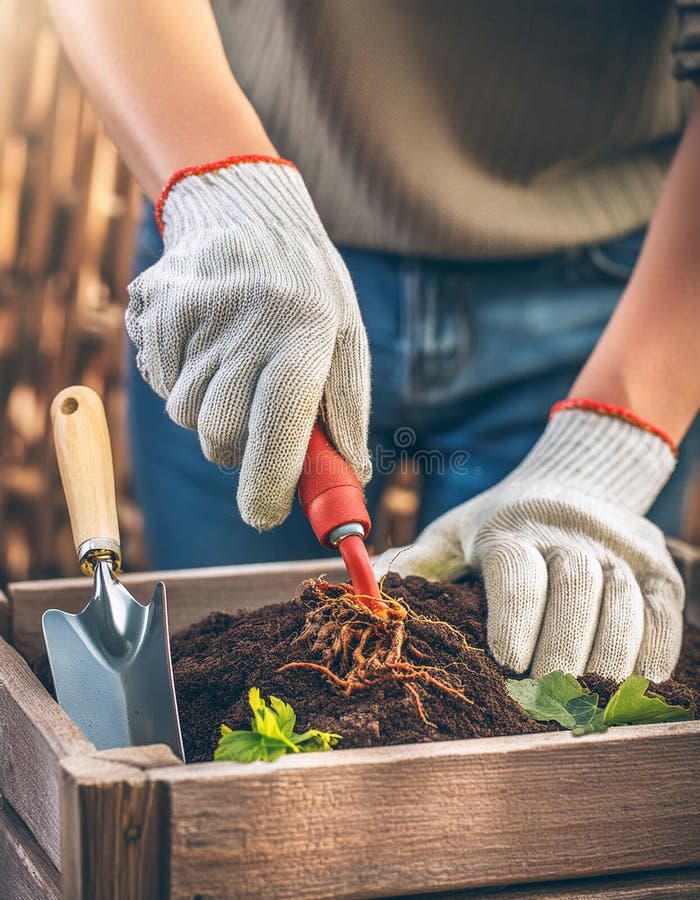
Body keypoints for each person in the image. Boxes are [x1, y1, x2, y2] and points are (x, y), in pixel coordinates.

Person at [48, 1, 700, 683]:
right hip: (248, 264)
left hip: (619, 297)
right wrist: (222, 192)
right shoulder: (236, 238)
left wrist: (613, 440)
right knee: (222, 684)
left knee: (554, 687)